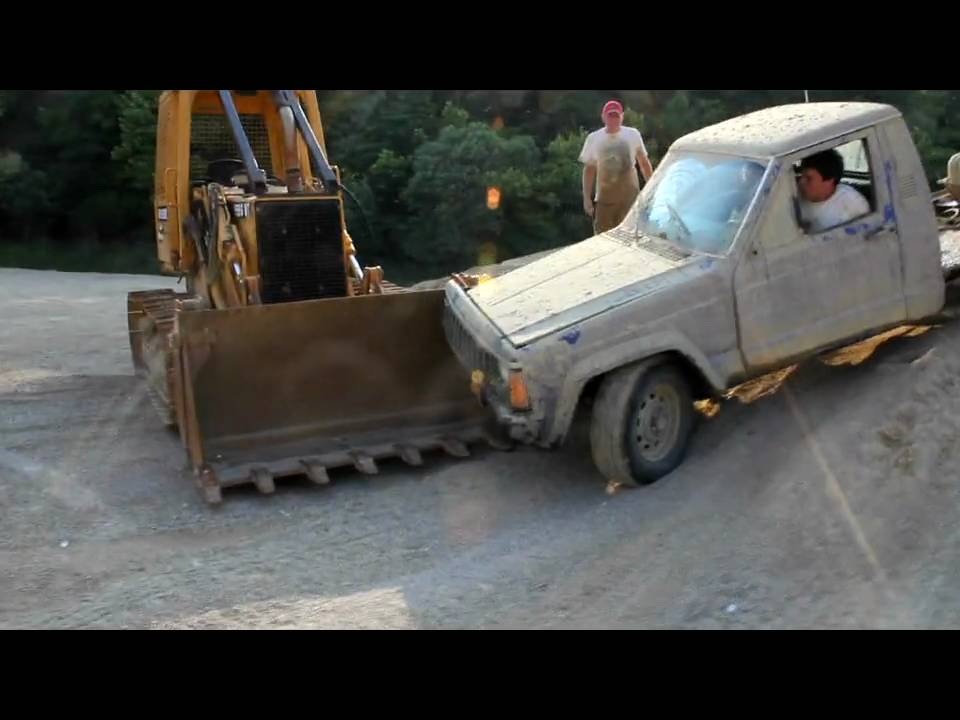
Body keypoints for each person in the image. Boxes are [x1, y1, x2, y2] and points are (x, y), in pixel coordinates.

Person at [579, 100, 653, 234]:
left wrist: (652, 189)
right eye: (610, 116)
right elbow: (589, 170)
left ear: (622, 117)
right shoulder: (594, 138)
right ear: (603, 117)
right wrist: (586, 198)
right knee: (603, 238)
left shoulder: (633, 134)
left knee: (631, 237)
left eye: (616, 116)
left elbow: (644, 162)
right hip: (604, 200)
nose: (613, 119)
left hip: (630, 199)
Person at [797, 148, 869, 233]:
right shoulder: (793, 198)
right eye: (802, 176)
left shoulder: (853, 204)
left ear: (829, 181)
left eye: (808, 178)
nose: (801, 182)